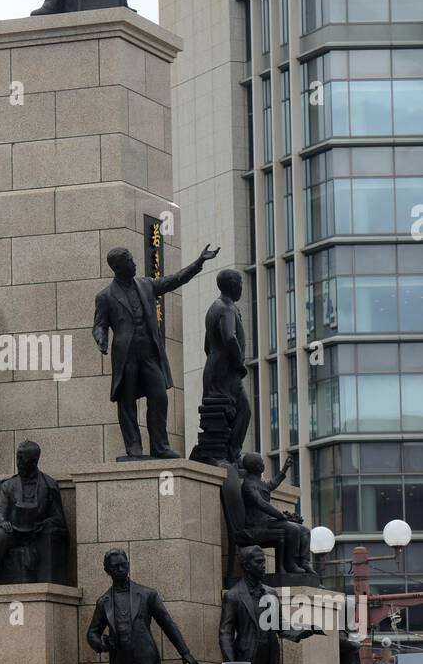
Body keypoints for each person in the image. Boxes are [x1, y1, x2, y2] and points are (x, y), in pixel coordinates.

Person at [93, 242, 219, 459]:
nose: (134, 264)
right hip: (126, 357)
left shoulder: (146, 285)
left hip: (150, 354)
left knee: (159, 397)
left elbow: (174, 280)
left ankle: (160, 446)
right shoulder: (105, 296)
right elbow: (99, 324)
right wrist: (101, 339)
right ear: (119, 267)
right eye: (130, 261)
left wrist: (198, 263)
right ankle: (133, 448)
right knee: (127, 403)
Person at [0, 439, 68, 587]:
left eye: (22, 459)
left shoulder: (49, 485)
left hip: (33, 534)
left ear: (34, 461)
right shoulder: (9, 484)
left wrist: (44, 525)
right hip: (11, 530)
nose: (18, 462)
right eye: (17, 458)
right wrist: (2, 521)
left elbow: (59, 520)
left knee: (0, 535)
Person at [199, 268, 251, 463]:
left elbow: (206, 344)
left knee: (238, 410)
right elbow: (229, 337)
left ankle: (230, 453)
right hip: (225, 370)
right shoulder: (226, 309)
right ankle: (225, 454)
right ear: (232, 286)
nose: (241, 288)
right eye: (240, 284)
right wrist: (238, 363)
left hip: (218, 367)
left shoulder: (218, 307)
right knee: (235, 410)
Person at [239, 453, 314, 576]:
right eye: (262, 462)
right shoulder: (249, 484)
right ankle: (290, 563)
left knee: (305, 530)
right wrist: (279, 515)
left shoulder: (258, 482)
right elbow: (261, 503)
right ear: (258, 467)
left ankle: (304, 562)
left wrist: (284, 469)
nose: (264, 464)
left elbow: (272, 484)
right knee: (293, 528)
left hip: (268, 522)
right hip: (257, 525)